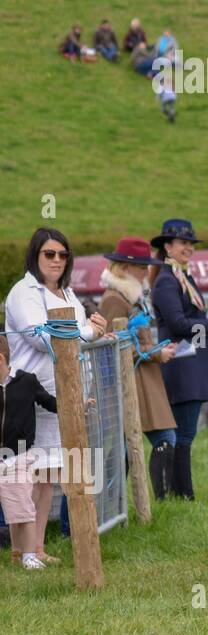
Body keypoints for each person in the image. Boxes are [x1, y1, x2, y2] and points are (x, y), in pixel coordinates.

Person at [4, 228, 109, 565]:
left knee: (48, 476)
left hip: (60, 393)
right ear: (35, 255)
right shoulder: (24, 292)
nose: (57, 260)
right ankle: (23, 551)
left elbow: (69, 332)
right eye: (49, 254)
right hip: (29, 398)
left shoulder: (67, 293)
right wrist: (90, 332)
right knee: (26, 477)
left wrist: (93, 330)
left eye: (63, 255)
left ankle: (36, 547)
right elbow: (44, 338)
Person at [150, 220, 208, 500]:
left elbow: (190, 321)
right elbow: (178, 324)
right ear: (167, 247)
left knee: (186, 435)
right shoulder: (166, 281)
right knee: (183, 435)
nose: (188, 248)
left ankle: (179, 492)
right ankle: (182, 494)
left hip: (191, 362)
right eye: (182, 243)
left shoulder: (183, 277)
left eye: (190, 244)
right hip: (181, 366)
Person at [97, 237, 179, 497]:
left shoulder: (128, 297)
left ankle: (156, 500)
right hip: (129, 381)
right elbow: (116, 346)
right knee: (124, 447)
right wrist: (157, 354)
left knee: (159, 439)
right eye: (142, 266)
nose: (146, 272)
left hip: (142, 380)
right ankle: (111, 501)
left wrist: (156, 352)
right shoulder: (114, 299)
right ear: (124, 267)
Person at [0, 345, 58, 569]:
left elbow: (50, 403)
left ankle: (29, 555)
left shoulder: (26, 381)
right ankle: (17, 553)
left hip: (18, 456)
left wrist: (78, 406)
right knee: (14, 510)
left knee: (23, 509)